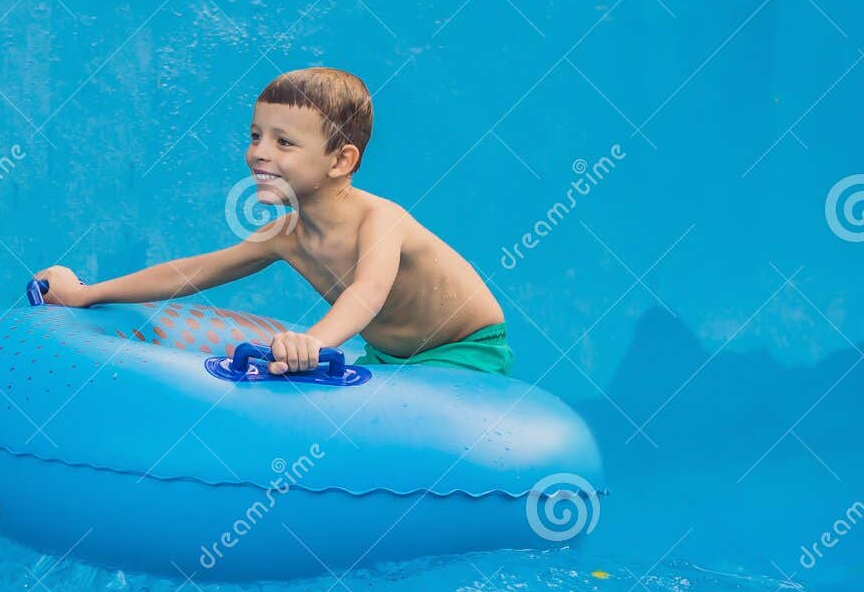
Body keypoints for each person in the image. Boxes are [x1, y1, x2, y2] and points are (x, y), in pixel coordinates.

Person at [32, 66, 512, 375]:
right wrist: (84, 294)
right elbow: (193, 271)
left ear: (341, 161)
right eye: (256, 136)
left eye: (283, 142)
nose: (257, 153)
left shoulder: (379, 220)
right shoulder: (287, 235)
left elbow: (366, 293)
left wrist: (314, 342)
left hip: (463, 352)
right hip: (389, 360)